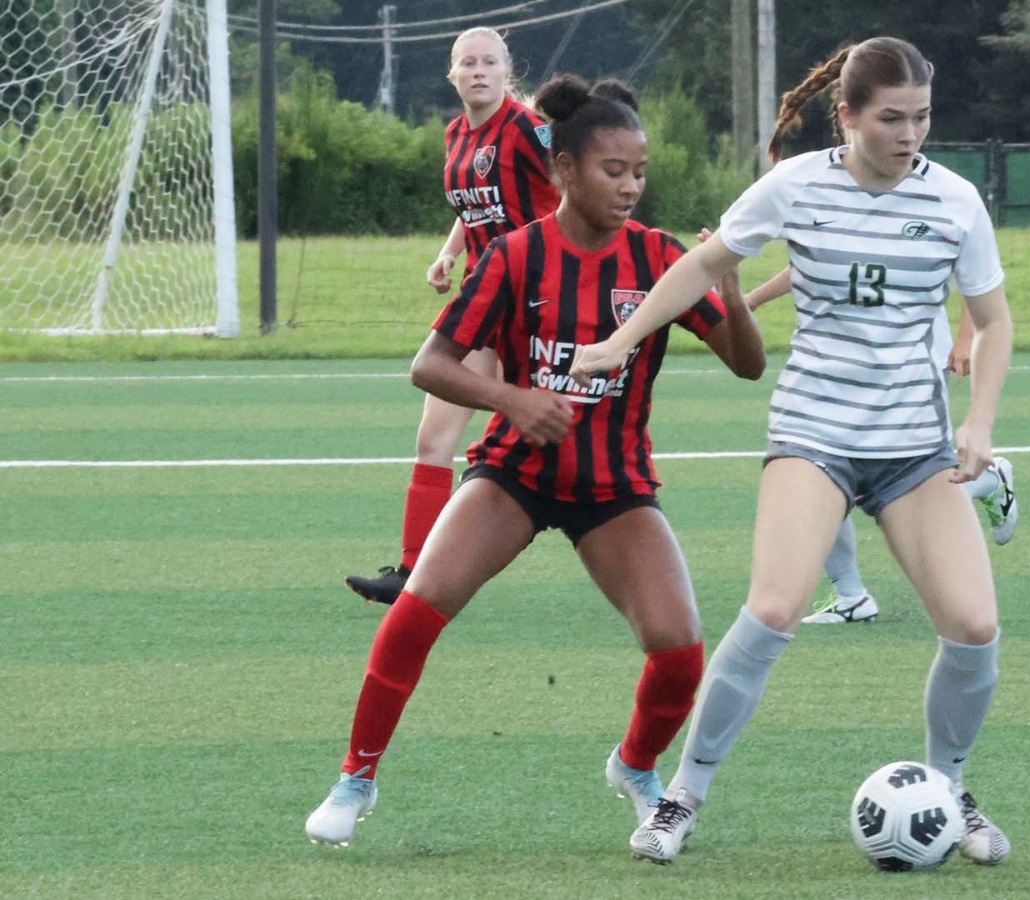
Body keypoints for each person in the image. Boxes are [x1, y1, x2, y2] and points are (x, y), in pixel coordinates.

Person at [572, 36, 1013, 865]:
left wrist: (978, 422)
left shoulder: (955, 202)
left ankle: (948, 789)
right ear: (846, 117)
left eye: (920, 118)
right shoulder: (796, 184)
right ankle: (681, 798)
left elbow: (993, 323)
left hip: (915, 450)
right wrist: (620, 339)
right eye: (890, 119)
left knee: (975, 625)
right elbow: (704, 264)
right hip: (814, 434)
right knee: (773, 608)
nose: (909, 134)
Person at [304, 74, 767, 848]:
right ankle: (355, 779)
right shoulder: (516, 257)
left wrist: (731, 279)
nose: (630, 187)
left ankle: (634, 764)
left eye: (639, 172)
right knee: (415, 612)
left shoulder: (659, 259)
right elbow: (431, 363)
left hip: (614, 488)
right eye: (613, 171)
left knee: (680, 650)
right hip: (513, 477)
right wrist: (516, 401)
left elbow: (748, 366)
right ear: (563, 171)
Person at [346, 27, 561, 606]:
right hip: (481, 297)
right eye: (467, 63)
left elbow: (572, 180)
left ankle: (619, 536)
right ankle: (414, 575)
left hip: (533, 302)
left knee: (549, 448)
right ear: (452, 74)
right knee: (434, 436)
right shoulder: (456, 133)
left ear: (506, 70)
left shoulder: (526, 127)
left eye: (489, 61)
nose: (478, 70)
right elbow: (475, 202)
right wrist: (449, 252)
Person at [743, 272, 1018, 624]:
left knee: (913, 489)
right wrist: (751, 299)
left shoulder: (935, 216)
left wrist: (965, 339)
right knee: (819, 469)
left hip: (916, 366)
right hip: (845, 368)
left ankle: (989, 482)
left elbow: (974, 276)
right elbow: (807, 264)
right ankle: (851, 595)